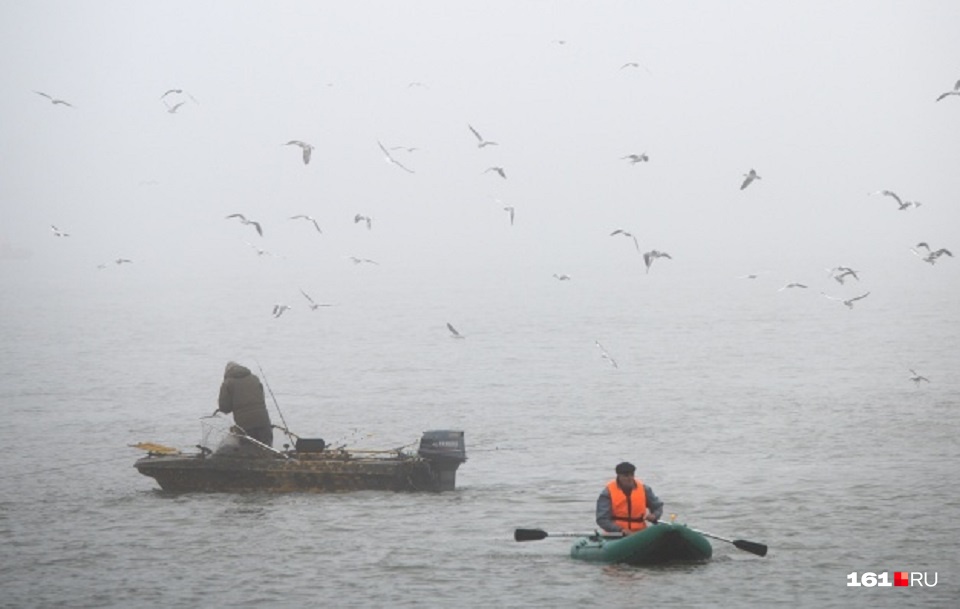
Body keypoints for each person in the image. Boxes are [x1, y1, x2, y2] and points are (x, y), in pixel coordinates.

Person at [596, 461, 663, 535]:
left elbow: (658, 507)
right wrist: (620, 530)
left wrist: (654, 516)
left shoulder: (645, 489)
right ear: (619, 476)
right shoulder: (607, 493)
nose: (630, 478)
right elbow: (602, 519)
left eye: (632, 475)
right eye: (626, 476)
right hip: (616, 534)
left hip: (640, 533)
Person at [216, 361, 273, 447]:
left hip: (245, 425)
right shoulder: (255, 378)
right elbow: (261, 397)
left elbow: (225, 408)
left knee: (248, 451)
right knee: (267, 448)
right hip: (263, 421)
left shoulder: (228, 383)